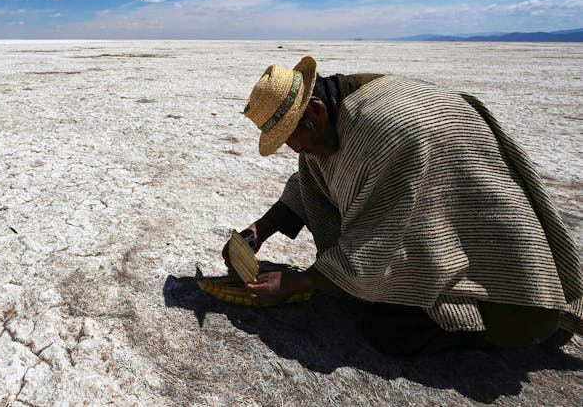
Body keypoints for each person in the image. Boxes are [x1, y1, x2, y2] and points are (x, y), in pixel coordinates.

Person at [224, 56, 583, 355]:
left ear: (315, 111)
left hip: (495, 265)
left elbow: (377, 239)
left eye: (291, 138)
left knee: (392, 331)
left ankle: (498, 320)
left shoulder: (384, 135)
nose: (296, 150)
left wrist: (299, 282)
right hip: (423, 179)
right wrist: (259, 230)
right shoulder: (334, 112)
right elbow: (312, 180)